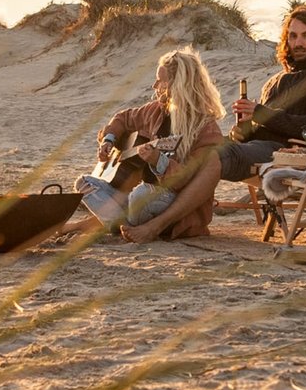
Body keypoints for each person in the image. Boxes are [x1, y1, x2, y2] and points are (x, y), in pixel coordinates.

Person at [64, 48, 226, 244]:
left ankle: (119, 224)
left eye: (160, 80)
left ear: (177, 85)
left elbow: (190, 183)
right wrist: (109, 140)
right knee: (84, 183)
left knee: (142, 193)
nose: (154, 85)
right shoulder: (155, 111)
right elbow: (123, 118)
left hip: (169, 200)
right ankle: (126, 226)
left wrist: (160, 162)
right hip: (137, 200)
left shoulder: (205, 128)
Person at [219, 5, 306, 183]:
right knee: (196, 149)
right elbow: (266, 127)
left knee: (220, 156)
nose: (298, 43)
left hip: (291, 154)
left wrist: (262, 114)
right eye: (293, 36)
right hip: (257, 148)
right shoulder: (273, 81)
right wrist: (244, 131)